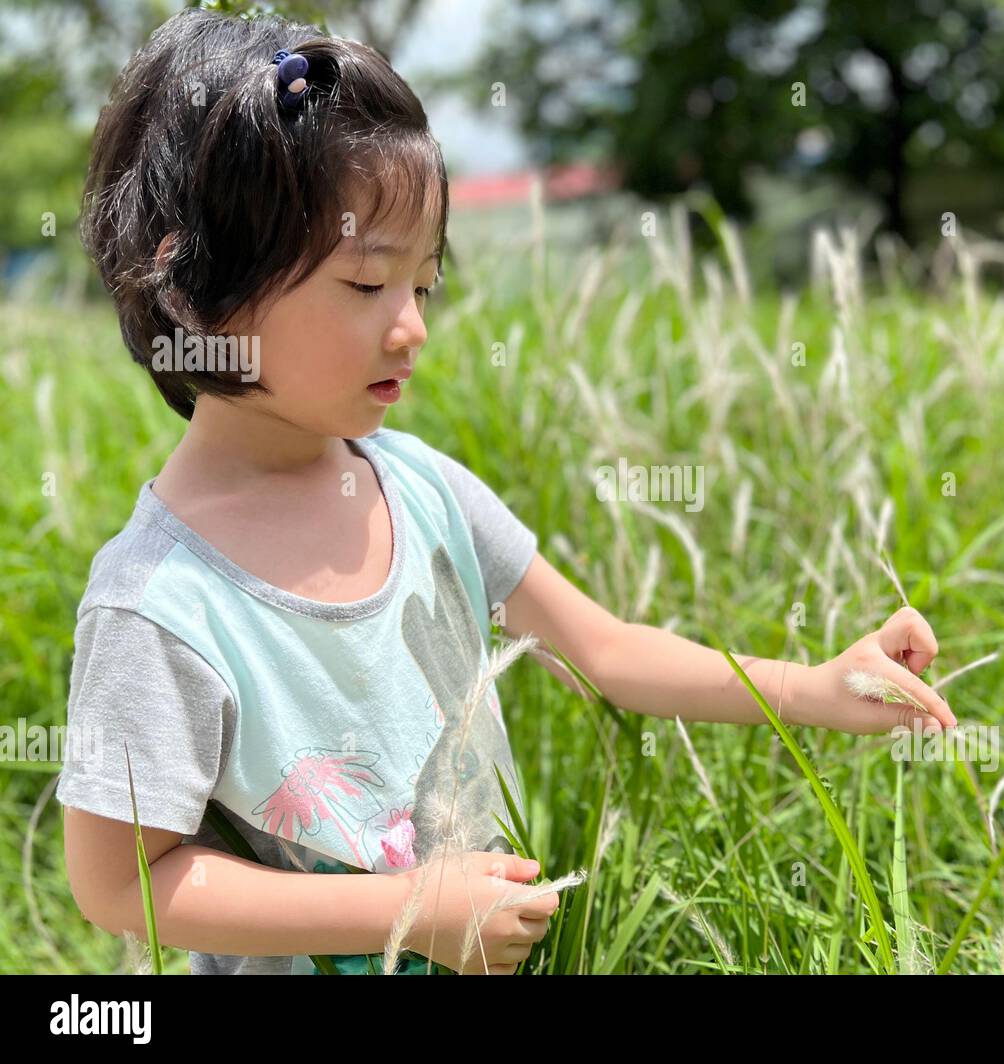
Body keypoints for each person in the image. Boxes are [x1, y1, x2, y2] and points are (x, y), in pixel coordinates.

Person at [56, 6, 956, 977]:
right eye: (366, 288)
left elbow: (605, 650)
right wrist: (402, 907)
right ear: (189, 288)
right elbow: (119, 881)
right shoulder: (158, 605)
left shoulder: (423, 490)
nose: (411, 329)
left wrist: (815, 686)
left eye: (425, 287)